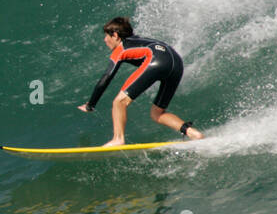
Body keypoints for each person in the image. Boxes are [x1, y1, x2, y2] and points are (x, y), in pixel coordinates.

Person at [77, 17, 205, 146]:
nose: (105, 40)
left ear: (115, 35)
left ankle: (118, 139)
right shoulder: (139, 40)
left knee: (119, 102)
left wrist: (91, 104)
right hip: (176, 62)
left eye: (106, 36)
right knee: (157, 113)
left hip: (156, 60)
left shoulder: (120, 49)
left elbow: (106, 78)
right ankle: (193, 133)